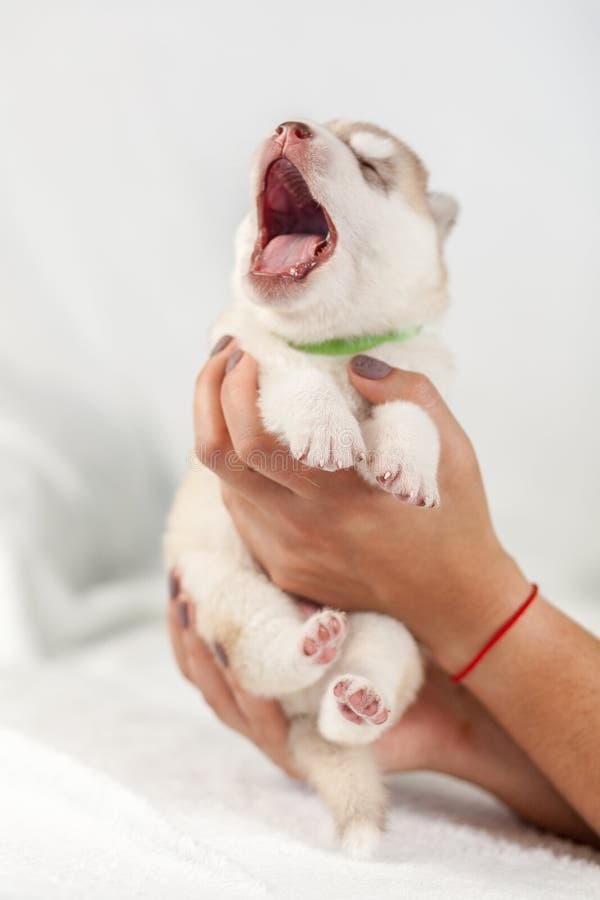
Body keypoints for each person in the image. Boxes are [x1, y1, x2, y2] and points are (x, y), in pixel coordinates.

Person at [168, 336, 600, 847]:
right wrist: (459, 726)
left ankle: (340, 702)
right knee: (253, 618)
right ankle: (312, 672)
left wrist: (476, 606)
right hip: (263, 604)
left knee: (381, 649)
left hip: (351, 640)